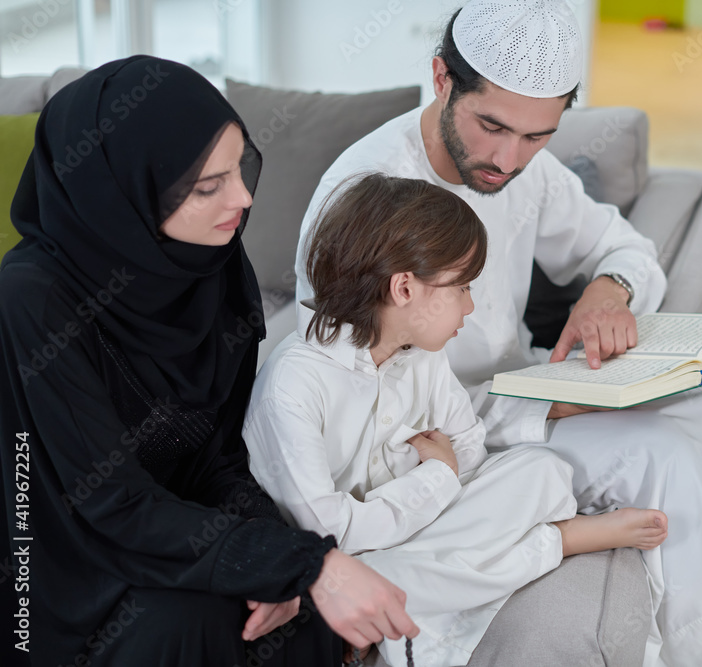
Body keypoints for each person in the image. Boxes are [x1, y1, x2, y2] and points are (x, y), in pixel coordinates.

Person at [293, 2, 702, 666]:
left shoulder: (525, 171)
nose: (507, 158)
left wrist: (606, 291)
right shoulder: (368, 191)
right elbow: (372, 406)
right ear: (443, 78)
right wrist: (546, 405)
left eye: (537, 136)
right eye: (492, 126)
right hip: (436, 435)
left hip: (517, 382)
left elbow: (626, 247)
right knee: (658, 451)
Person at [0, 56, 418, 667]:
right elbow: (107, 502)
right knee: (191, 626)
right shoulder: (31, 299)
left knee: (299, 615)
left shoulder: (212, 265)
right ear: (124, 192)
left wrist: (280, 561)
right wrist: (305, 564)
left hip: (168, 532)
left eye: (240, 168)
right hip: (57, 558)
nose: (244, 198)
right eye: (206, 187)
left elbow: (220, 461)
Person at [243, 172, 669, 667]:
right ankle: (555, 541)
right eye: (462, 287)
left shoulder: (420, 354)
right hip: (342, 559)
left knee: (542, 470)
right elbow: (328, 533)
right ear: (404, 288)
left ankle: (399, 599)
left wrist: (441, 480)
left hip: (422, 527)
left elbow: (469, 446)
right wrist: (435, 478)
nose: (470, 305)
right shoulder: (295, 383)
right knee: (366, 570)